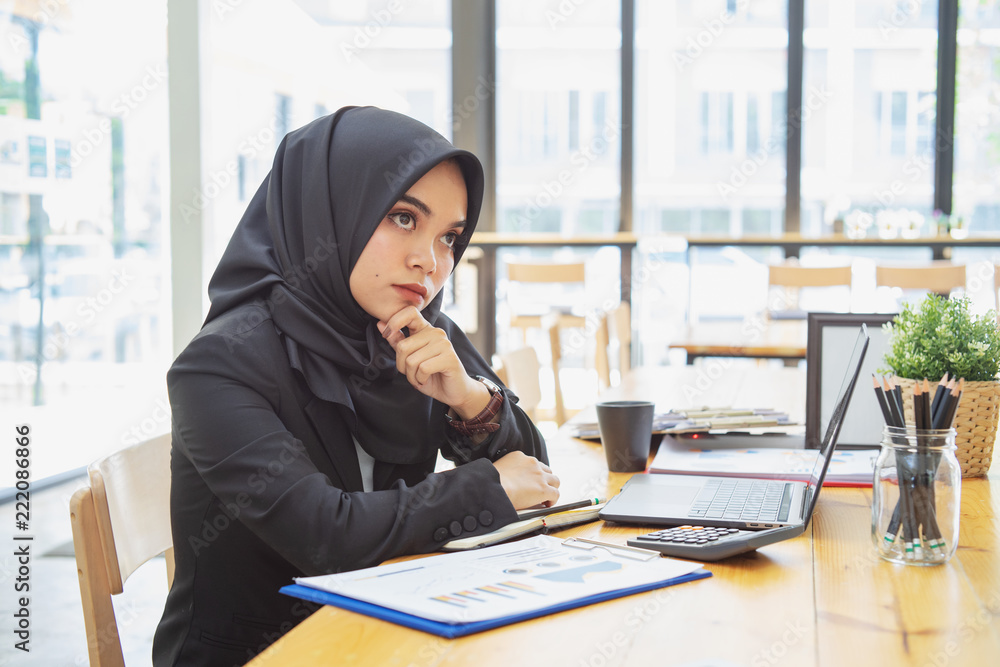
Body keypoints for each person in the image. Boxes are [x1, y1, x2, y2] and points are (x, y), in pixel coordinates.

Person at [152, 106, 560, 666]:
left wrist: (468, 398)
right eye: (403, 218)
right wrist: (487, 488)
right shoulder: (219, 364)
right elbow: (325, 537)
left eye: (449, 237)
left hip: (394, 634)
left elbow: (535, 476)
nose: (429, 262)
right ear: (330, 211)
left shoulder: (417, 330)